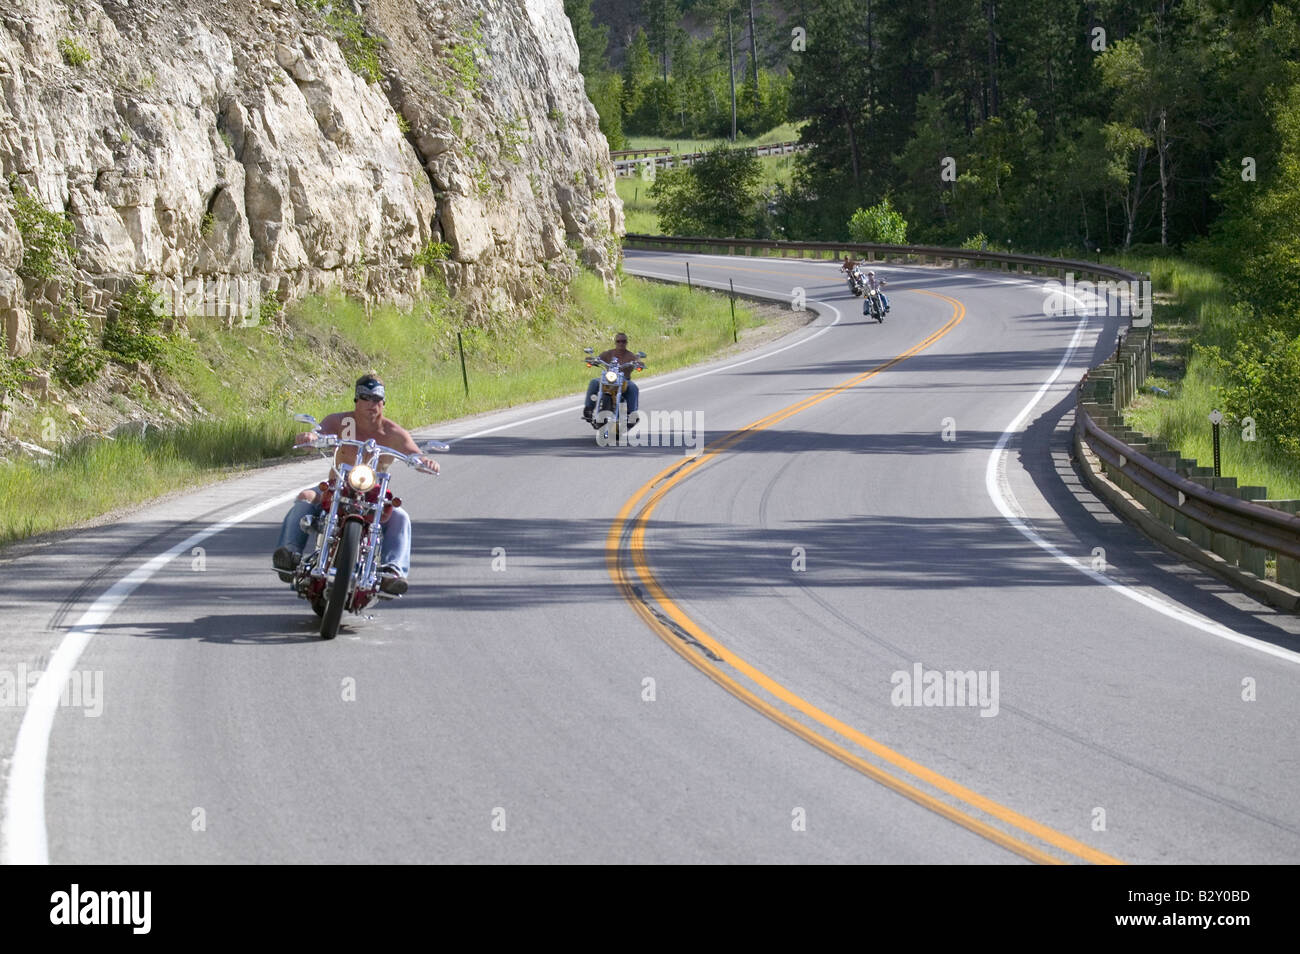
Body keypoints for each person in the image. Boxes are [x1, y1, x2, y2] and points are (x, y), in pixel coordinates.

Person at [272, 373, 440, 596]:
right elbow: (319, 432)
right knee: (305, 496)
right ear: (356, 400)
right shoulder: (339, 421)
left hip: (373, 493)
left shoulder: (392, 432)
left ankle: (393, 572)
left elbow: (414, 454)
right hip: (337, 486)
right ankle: (289, 553)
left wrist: (424, 461)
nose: (371, 403)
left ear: (384, 402)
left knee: (400, 516)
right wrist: (310, 438)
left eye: (377, 398)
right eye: (365, 397)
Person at [581, 332, 642, 422]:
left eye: (623, 341)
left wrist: (639, 364)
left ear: (626, 343)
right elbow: (598, 358)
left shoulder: (630, 356)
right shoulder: (608, 353)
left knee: (633, 387)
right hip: (608, 379)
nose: (621, 343)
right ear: (615, 342)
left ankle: (631, 413)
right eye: (618, 341)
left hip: (624, 380)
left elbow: (638, 362)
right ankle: (588, 409)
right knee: (594, 382)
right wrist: (591, 359)